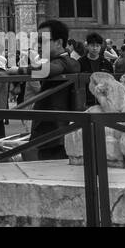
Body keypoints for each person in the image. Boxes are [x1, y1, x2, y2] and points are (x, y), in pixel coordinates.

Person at [22, 19, 81, 160]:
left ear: (59, 42)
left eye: (43, 40)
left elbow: (48, 69)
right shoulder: (68, 62)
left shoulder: (63, 62)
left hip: (54, 132)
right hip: (56, 131)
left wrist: (16, 70)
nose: (39, 46)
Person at [77, 32, 114, 107]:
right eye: (92, 45)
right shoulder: (80, 62)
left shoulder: (107, 64)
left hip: (104, 102)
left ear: (101, 47)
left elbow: (112, 83)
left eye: (97, 46)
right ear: (87, 46)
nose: (95, 48)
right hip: (86, 102)